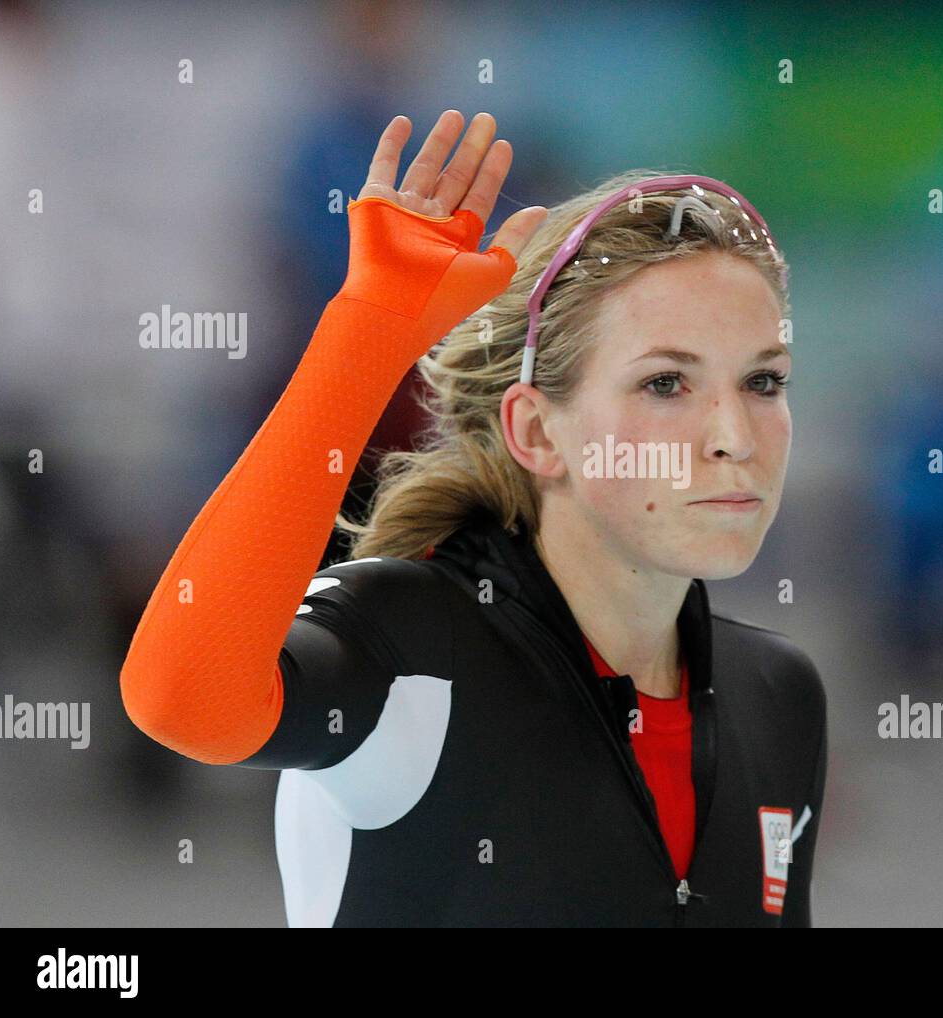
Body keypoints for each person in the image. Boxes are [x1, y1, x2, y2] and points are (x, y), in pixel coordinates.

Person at [120, 109, 828, 927]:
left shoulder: (778, 695)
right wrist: (368, 332)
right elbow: (180, 699)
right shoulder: (415, 646)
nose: (735, 438)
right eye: (666, 383)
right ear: (536, 431)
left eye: (764, 382)